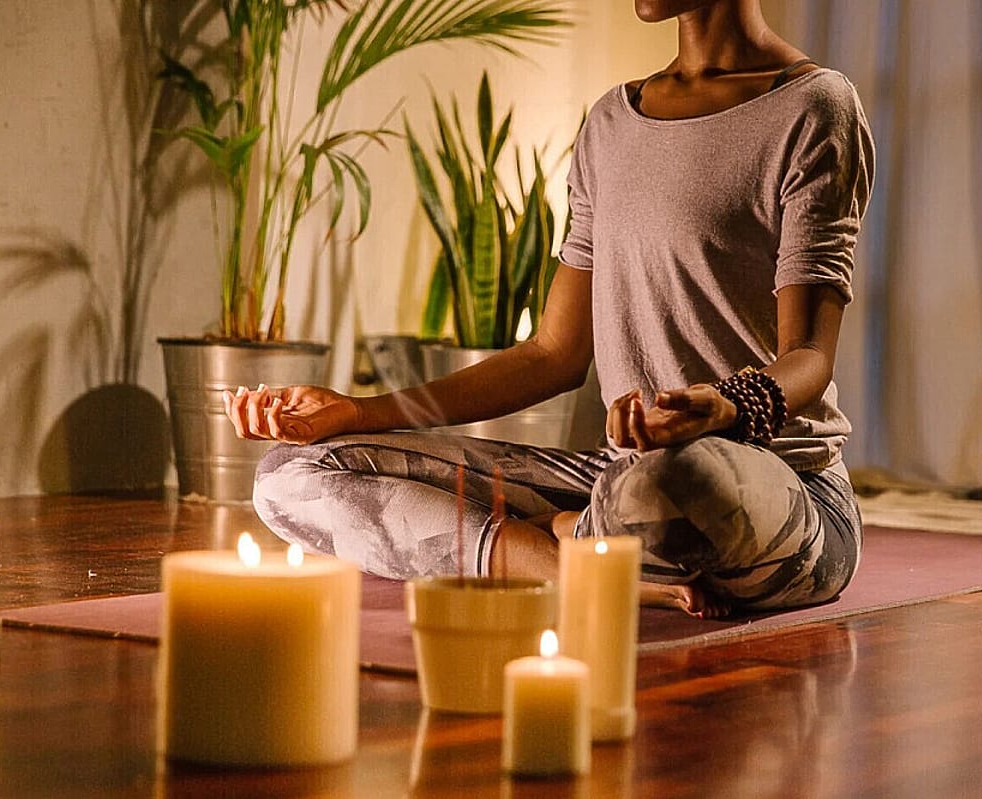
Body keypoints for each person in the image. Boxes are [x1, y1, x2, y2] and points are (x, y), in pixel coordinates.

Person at [223, 0, 874, 618]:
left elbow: (809, 356)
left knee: (666, 486)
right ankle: (580, 566)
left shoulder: (813, 107)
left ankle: (577, 536)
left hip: (776, 490)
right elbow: (552, 354)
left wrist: (725, 405)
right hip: (621, 478)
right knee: (291, 474)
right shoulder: (611, 122)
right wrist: (359, 411)